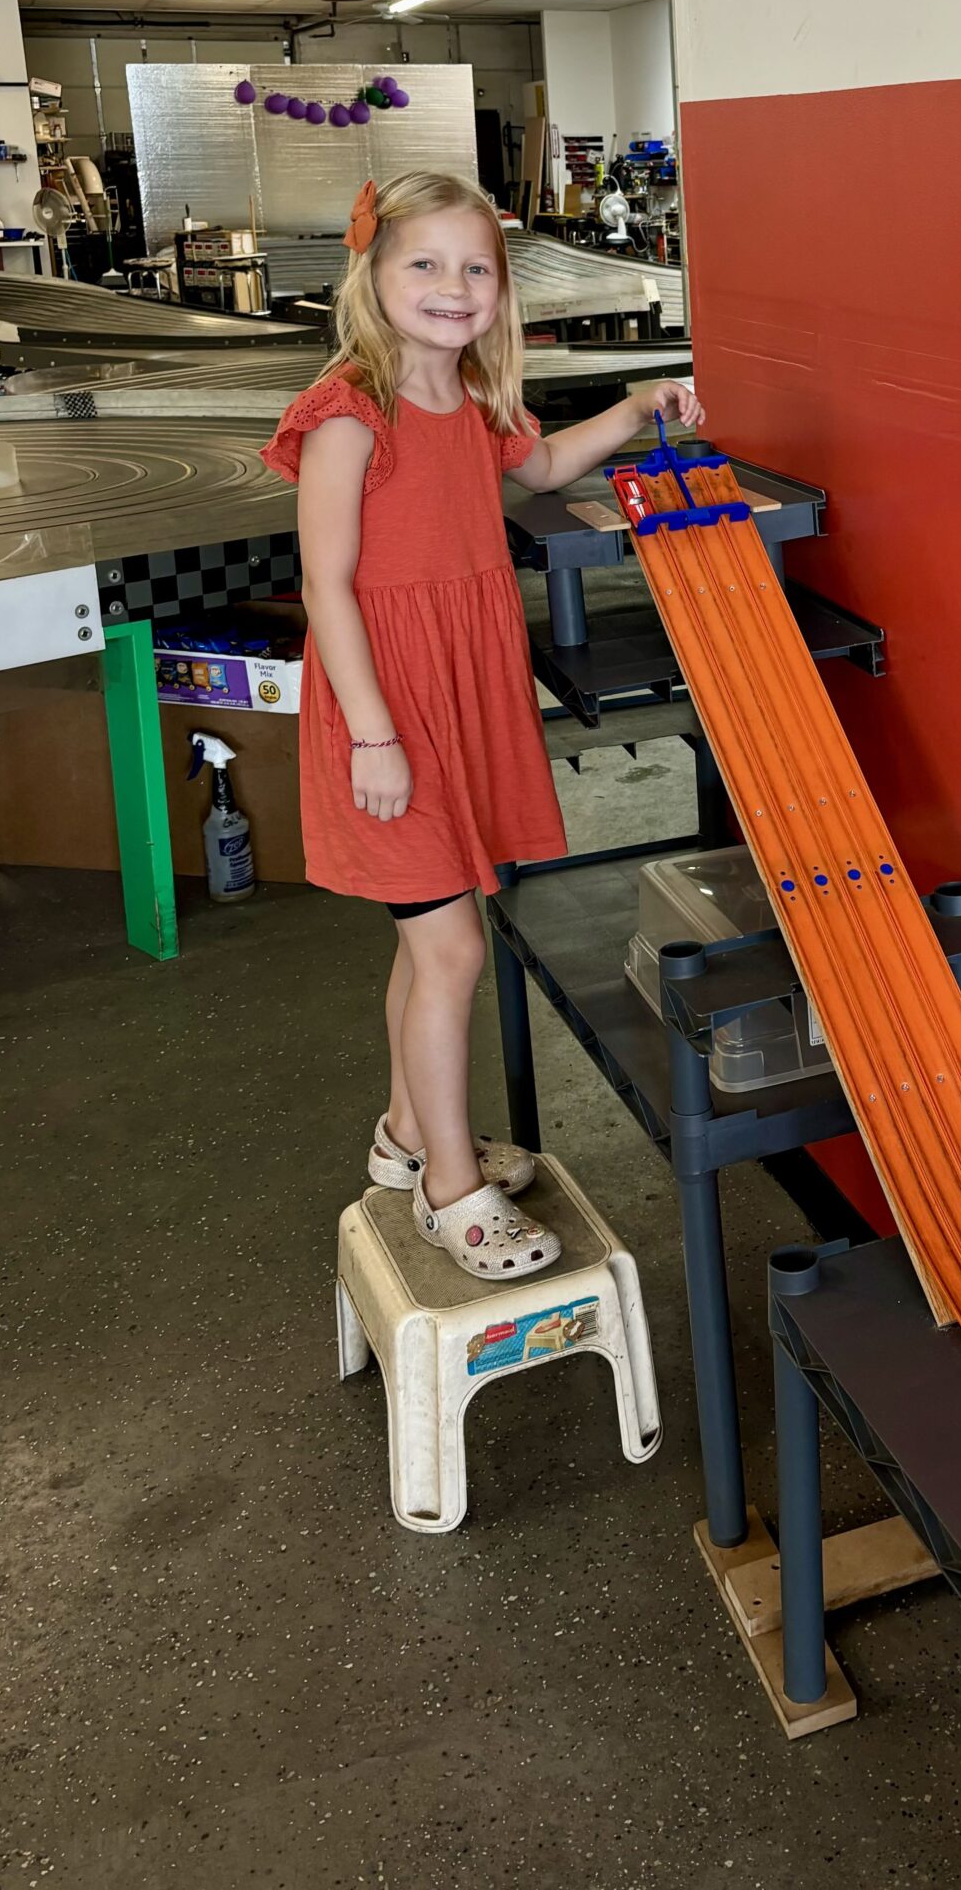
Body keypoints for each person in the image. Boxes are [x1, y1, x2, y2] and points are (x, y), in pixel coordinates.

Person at [262, 168, 702, 1278]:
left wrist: (642, 404)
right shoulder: (348, 412)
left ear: (502, 290)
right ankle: (450, 1192)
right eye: (425, 263)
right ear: (372, 274)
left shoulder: (475, 403)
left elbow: (543, 465)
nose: (452, 287)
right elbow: (327, 586)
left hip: (460, 698)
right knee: (450, 945)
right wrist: (372, 735)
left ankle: (409, 1136)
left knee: (433, 940)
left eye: (476, 268)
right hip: (389, 708)